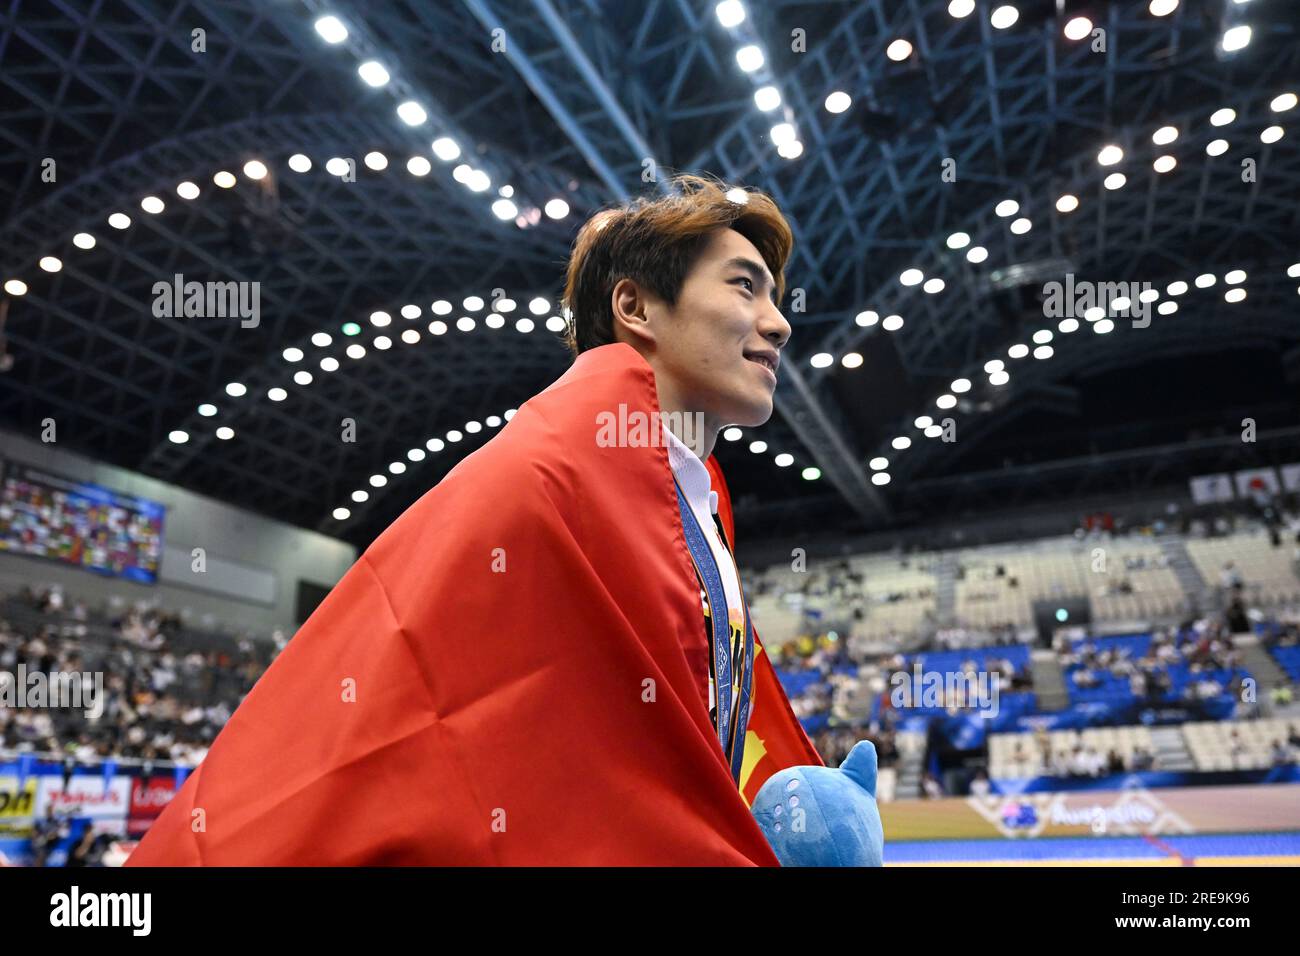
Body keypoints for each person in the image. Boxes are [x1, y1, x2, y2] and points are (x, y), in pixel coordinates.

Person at [128, 174, 872, 866]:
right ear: (636, 307)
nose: (778, 324)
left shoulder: (693, 500)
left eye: (776, 297)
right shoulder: (550, 473)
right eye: (745, 288)